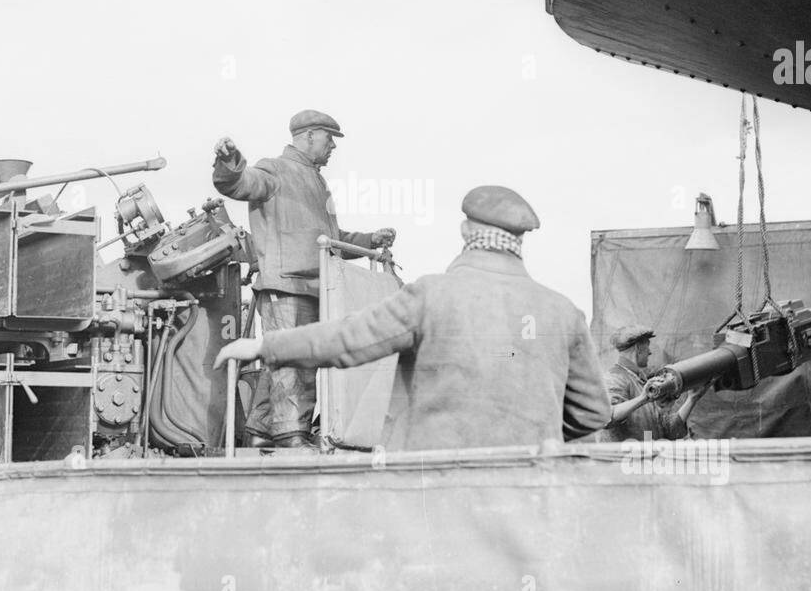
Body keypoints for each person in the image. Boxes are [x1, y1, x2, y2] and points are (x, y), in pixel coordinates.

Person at [214, 185, 611, 451]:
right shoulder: (563, 312)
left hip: (433, 499)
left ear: (465, 231)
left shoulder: (431, 296)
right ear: (519, 241)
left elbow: (350, 339)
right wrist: (530, 435)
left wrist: (267, 344)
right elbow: (594, 413)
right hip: (528, 499)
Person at [212, 109, 395, 448]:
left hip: (311, 287)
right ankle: (291, 436)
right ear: (310, 136)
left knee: (281, 358)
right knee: (297, 362)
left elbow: (333, 237)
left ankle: (260, 432)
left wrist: (370, 241)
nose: (333, 147)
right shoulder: (275, 170)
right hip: (286, 285)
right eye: (329, 138)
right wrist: (230, 161)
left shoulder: (315, 180)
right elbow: (238, 183)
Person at [597, 325, 704, 442]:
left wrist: (692, 399)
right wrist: (643, 398)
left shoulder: (640, 381)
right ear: (638, 348)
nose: (650, 352)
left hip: (645, 458)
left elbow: (669, 431)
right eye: (647, 346)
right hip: (621, 459)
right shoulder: (615, 378)